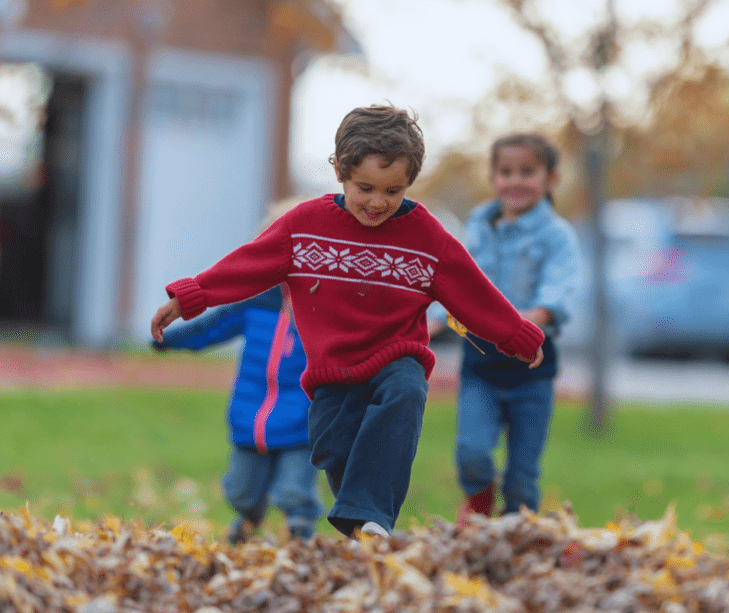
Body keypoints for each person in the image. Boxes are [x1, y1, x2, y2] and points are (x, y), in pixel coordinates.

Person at [150, 104, 545, 539]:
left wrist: (517, 334)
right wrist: (189, 297)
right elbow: (250, 265)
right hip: (332, 372)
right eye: (366, 188)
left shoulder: (426, 238)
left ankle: (375, 519)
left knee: (405, 390)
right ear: (339, 170)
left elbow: (471, 293)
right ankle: (362, 531)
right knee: (335, 452)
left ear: (410, 182)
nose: (378, 202)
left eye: (393, 191)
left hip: (397, 356)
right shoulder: (305, 227)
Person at [151, 198, 324, 544]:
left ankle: (299, 534)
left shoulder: (324, 304)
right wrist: (172, 339)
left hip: (303, 418)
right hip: (252, 413)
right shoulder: (255, 300)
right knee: (242, 491)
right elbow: (213, 327)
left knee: (294, 491)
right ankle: (247, 521)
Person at [429, 132, 581, 520]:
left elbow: (557, 288)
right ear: (493, 177)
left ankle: (519, 545)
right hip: (481, 364)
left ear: (552, 178)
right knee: (472, 453)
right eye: (505, 172)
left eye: (527, 172)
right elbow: (455, 280)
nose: (515, 181)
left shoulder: (557, 236)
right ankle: (479, 497)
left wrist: (529, 319)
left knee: (522, 479)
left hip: (532, 367)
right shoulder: (477, 228)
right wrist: (431, 322)